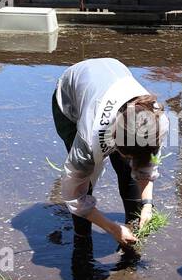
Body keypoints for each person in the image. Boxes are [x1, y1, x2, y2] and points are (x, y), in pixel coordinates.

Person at [53, 58, 167, 259]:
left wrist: (147, 204)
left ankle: (134, 228)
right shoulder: (89, 140)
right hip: (70, 97)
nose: (131, 160)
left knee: (127, 171)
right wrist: (112, 228)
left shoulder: (156, 121)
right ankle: (82, 242)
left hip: (113, 71)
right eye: (126, 153)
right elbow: (73, 195)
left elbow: (148, 163)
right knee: (84, 181)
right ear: (114, 139)